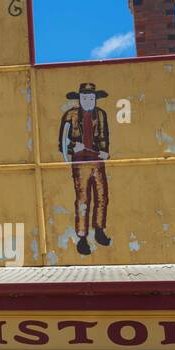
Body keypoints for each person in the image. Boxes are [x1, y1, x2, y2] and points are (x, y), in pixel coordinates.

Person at [58, 83, 111, 256]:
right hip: (80, 163)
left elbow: (103, 136)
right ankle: (82, 237)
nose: (88, 100)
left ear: (95, 99)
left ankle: (99, 230)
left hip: (97, 161)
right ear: (79, 99)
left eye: (91, 98)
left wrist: (104, 151)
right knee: (83, 200)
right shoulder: (70, 116)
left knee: (102, 196)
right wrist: (75, 146)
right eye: (84, 97)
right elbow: (63, 143)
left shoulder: (101, 115)